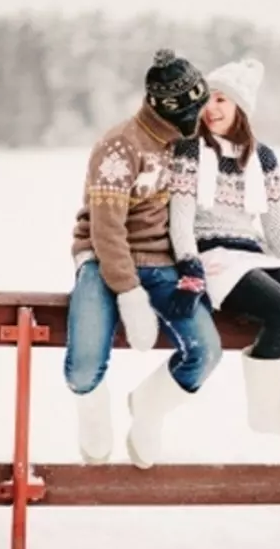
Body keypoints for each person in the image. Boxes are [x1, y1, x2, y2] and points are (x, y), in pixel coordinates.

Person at [167, 58, 280, 460]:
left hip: (253, 251)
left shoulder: (260, 158)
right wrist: (190, 267)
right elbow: (179, 219)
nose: (212, 108)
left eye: (222, 100)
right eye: (207, 100)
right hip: (212, 253)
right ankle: (264, 412)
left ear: (240, 107)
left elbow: (275, 222)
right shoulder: (190, 150)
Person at [66, 49, 223, 470]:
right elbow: (106, 228)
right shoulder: (120, 146)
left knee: (206, 351)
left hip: (162, 260)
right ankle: (93, 414)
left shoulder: (186, 146)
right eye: (191, 110)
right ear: (166, 108)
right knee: (83, 364)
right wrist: (129, 292)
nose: (198, 117)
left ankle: (149, 410)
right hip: (104, 259)